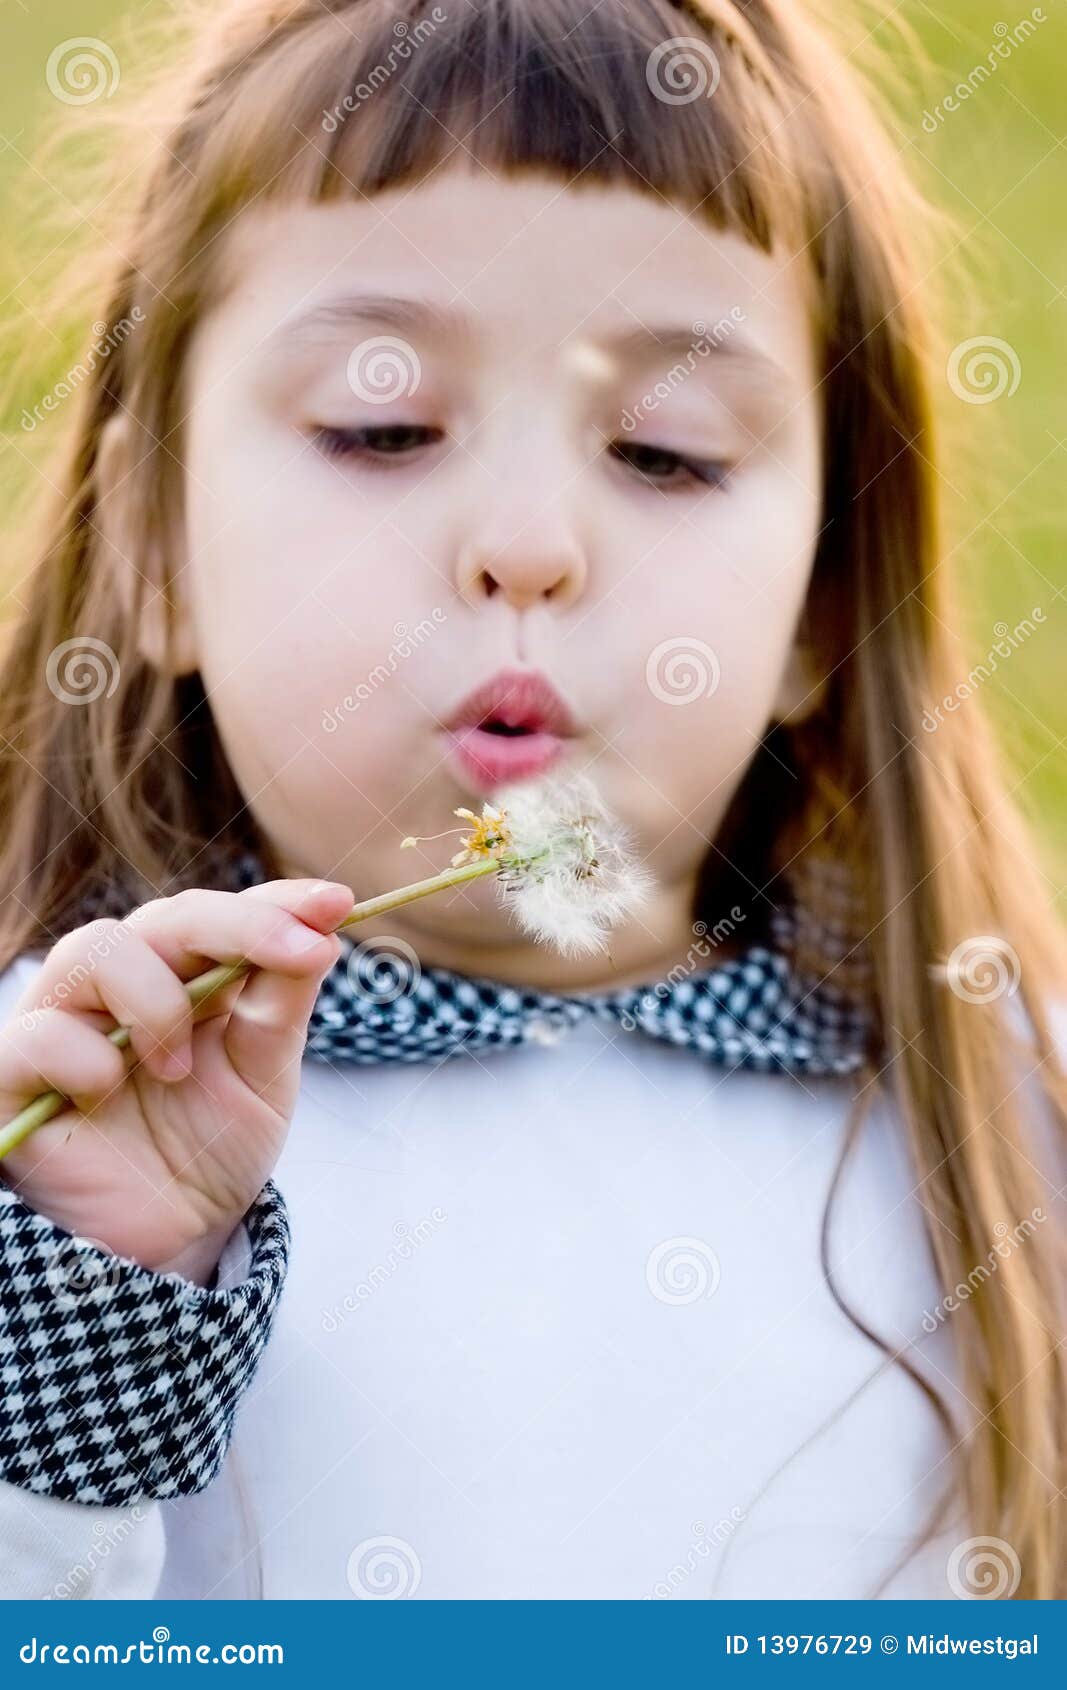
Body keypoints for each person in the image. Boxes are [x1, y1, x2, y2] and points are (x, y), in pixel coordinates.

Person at [0, 0, 1063, 1601]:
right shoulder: (61, 1111)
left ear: (822, 602)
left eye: (666, 451)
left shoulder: (1002, 1120)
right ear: (151, 540)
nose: (526, 542)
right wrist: (89, 1306)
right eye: (384, 426)